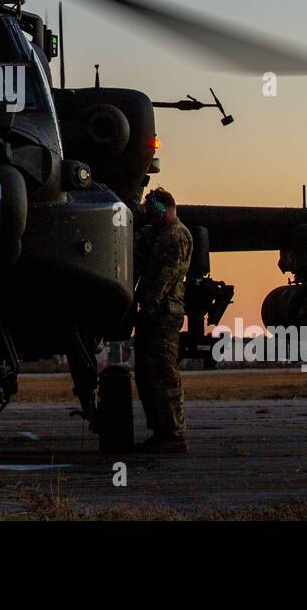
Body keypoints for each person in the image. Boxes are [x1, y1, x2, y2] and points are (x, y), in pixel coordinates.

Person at [132, 186, 193, 452]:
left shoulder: (176, 236)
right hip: (152, 312)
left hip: (164, 313)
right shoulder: (156, 234)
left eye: (155, 211)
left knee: (165, 373)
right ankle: (160, 430)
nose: (152, 216)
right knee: (147, 373)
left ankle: (174, 433)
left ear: (167, 208)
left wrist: (148, 304)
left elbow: (167, 277)